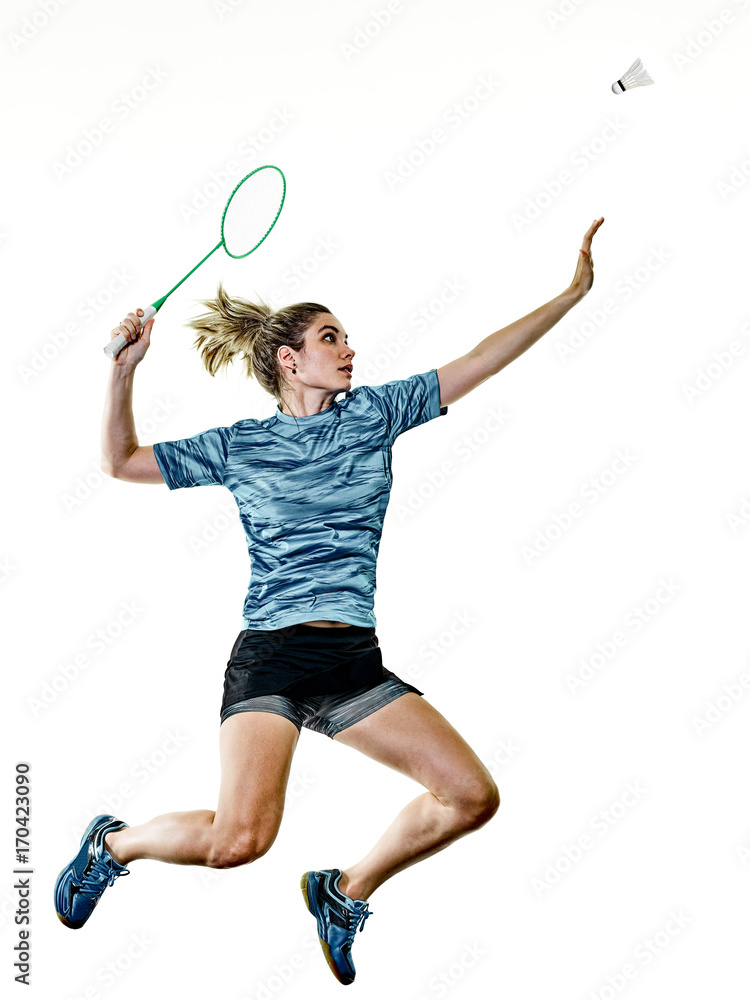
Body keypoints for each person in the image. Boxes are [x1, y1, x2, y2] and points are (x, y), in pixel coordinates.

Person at [54, 218, 604, 985]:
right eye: (331, 336)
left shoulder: (376, 413)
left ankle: (344, 892)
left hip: (350, 658)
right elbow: (119, 462)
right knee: (237, 843)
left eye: (346, 337)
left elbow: (481, 358)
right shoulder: (240, 445)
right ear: (290, 358)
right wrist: (123, 371)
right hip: (273, 655)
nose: (349, 349)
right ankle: (113, 846)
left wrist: (571, 293)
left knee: (471, 797)